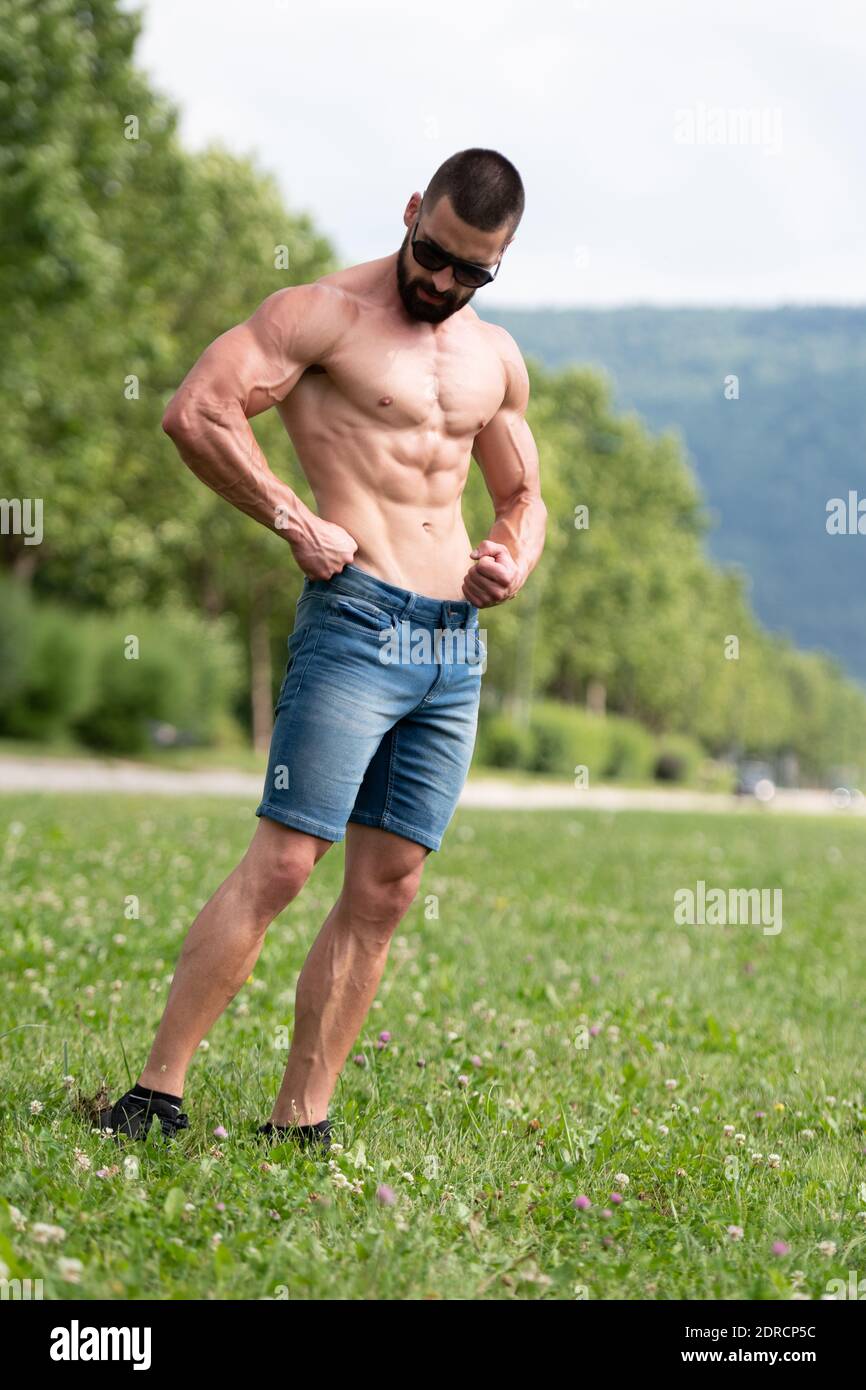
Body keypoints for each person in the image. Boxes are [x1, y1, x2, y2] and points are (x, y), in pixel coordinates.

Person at [97, 147, 546, 1152]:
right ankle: (155, 1092)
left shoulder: (494, 357)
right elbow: (196, 411)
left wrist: (510, 556)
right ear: (408, 212)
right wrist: (292, 517)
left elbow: (521, 496)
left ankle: (299, 1119)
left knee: (387, 888)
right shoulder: (320, 315)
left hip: (450, 648)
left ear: (498, 262)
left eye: (470, 271)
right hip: (354, 618)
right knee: (288, 861)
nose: (441, 281)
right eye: (431, 254)